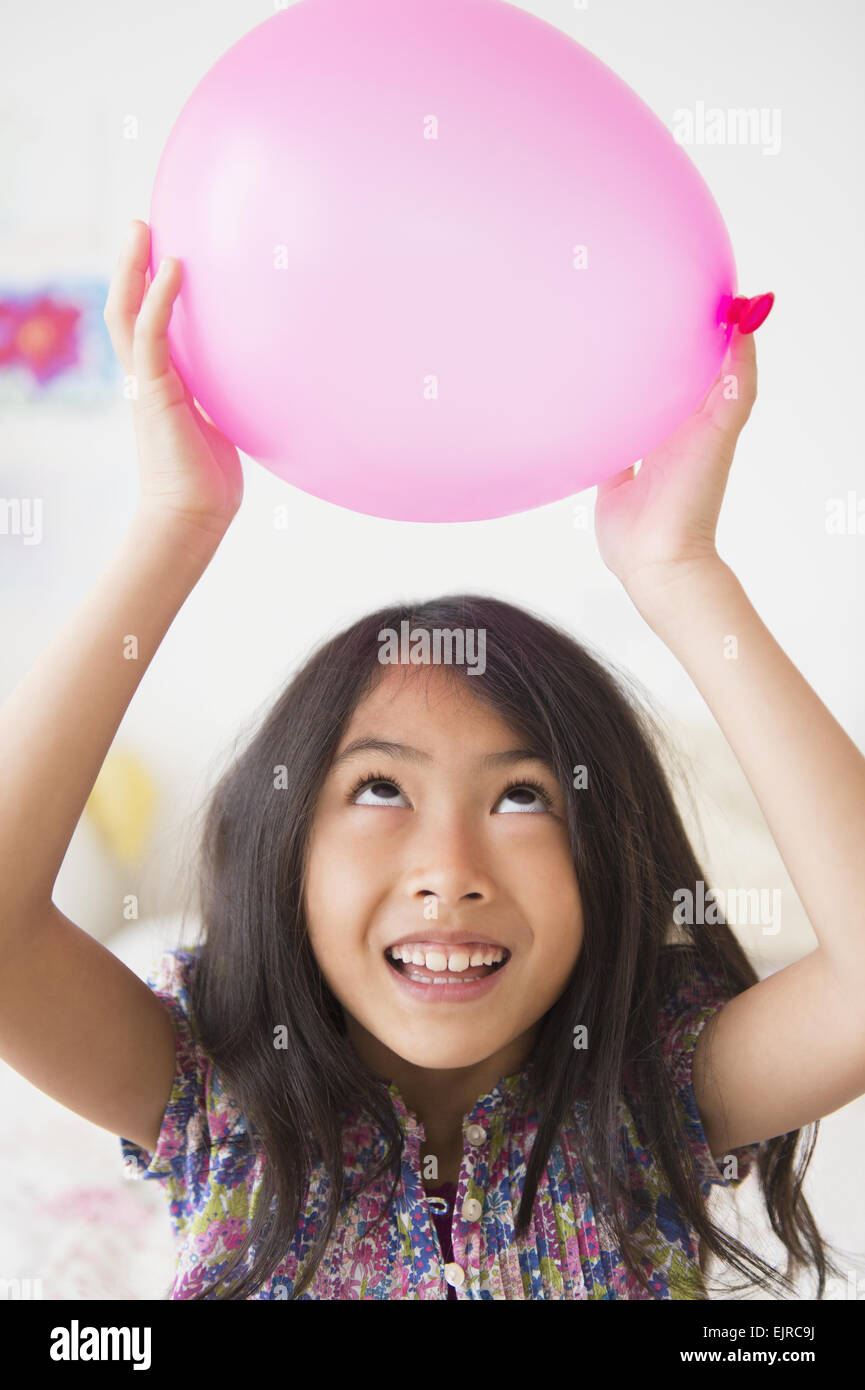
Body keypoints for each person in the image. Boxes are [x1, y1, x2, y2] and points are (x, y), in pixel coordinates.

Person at [0, 221, 857, 1300]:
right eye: (378, 788)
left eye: (521, 796)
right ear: (286, 851)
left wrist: (678, 566)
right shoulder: (214, 1090)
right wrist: (176, 519)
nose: (449, 870)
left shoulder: (652, 1090)